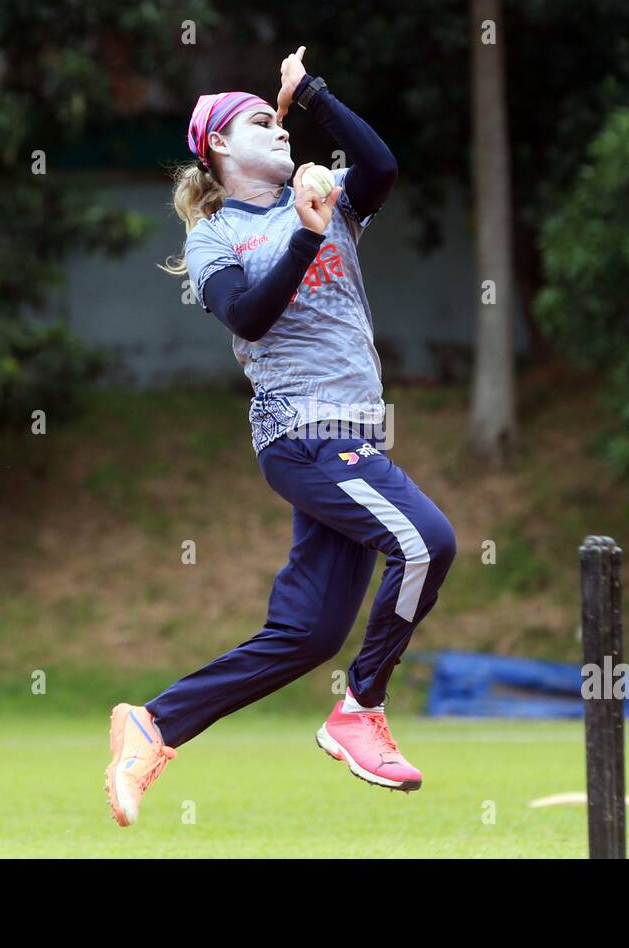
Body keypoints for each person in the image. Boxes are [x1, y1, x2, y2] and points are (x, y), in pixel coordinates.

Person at [106, 46, 456, 828]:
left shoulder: (328, 192)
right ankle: (361, 709)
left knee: (307, 635)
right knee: (427, 542)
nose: (281, 131)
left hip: (359, 434)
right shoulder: (216, 238)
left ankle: (153, 725)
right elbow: (249, 316)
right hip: (303, 436)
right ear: (219, 146)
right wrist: (303, 234)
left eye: (281, 120)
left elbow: (383, 166)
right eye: (261, 121)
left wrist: (312, 94)